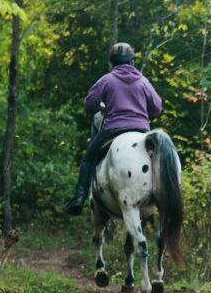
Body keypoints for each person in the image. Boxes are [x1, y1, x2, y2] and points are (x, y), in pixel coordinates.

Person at [66, 43, 165, 214]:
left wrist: (103, 108)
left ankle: (79, 197)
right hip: (142, 131)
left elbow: (89, 104)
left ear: (112, 63)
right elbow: (157, 108)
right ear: (132, 61)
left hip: (113, 129)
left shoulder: (107, 80)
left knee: (88, 159)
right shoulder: (143, 81)